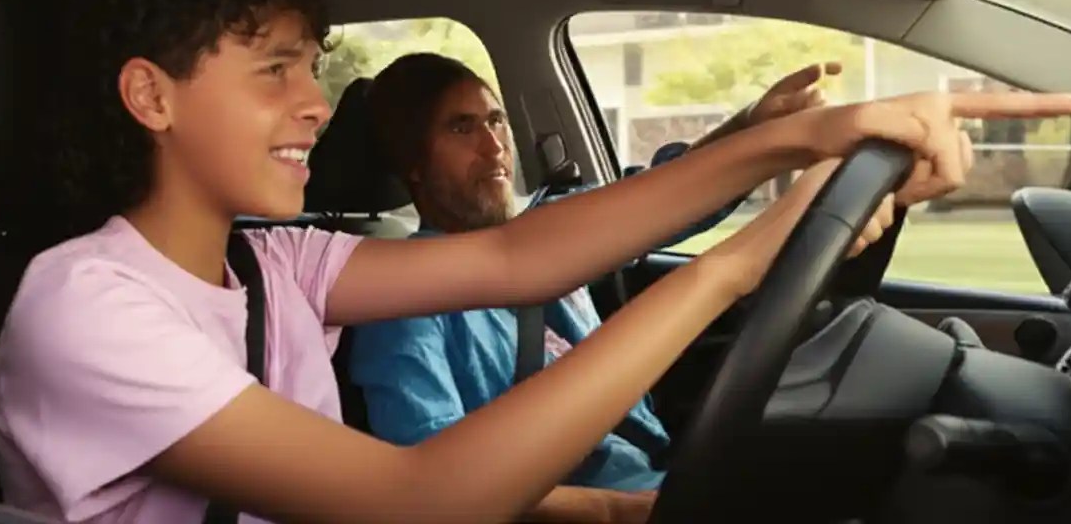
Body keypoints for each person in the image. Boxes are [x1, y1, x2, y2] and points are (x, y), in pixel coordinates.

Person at [0, 0, 1071, 524]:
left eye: (310, 68)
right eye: (274, 71)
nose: (316, 102)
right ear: (150, 96)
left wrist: (797, 145)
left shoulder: (277, 263)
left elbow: (516, 255)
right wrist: (730, 269)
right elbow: (416, 500)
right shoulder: (83, 303)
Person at [348, 52, 840, 521]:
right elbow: (432, 485)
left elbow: (664, 194)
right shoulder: (401, 300)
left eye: (496, 120)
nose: (495, 146)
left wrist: (752, 126)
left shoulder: (554, 228)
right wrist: (613, 511)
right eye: (461, 127)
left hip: (660, 477)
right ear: (413, 161)